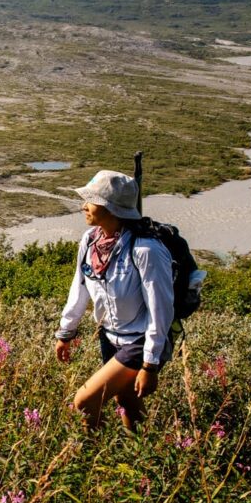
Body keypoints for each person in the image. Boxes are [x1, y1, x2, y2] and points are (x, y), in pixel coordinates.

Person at [53, 170, 174, 431]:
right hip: (109, 337)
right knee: (127, 401)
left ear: (111, 208)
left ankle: (93, 460)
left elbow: (160, 311)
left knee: (84, 400)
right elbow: (80, 287)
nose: (84, 206)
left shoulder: (146, 250)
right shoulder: (90, 240)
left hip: (139, 341)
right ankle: (141, 459)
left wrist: (150, 365)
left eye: (91, 200)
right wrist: (66, 332)